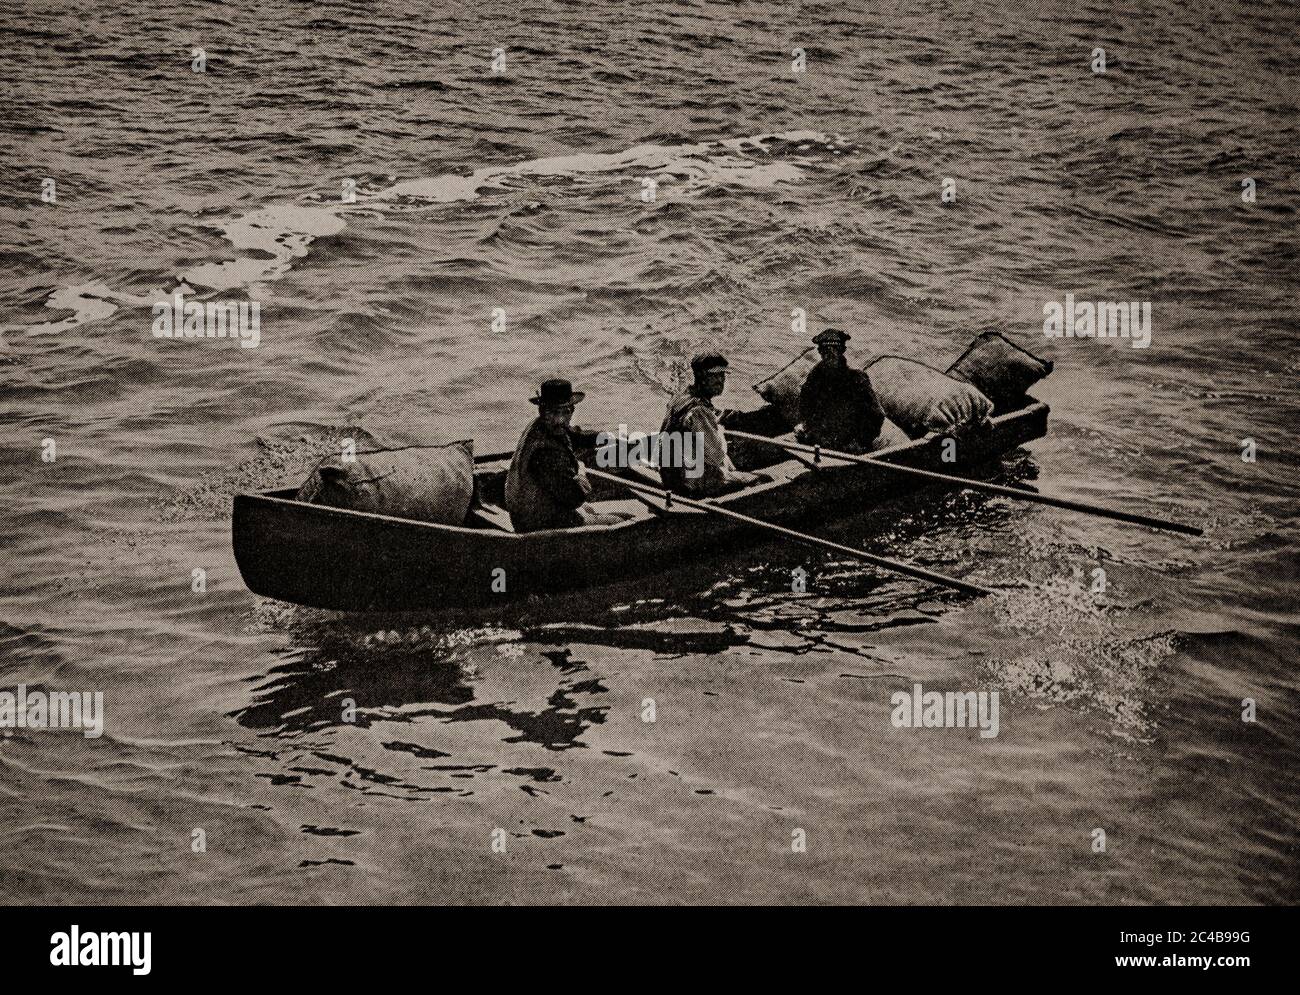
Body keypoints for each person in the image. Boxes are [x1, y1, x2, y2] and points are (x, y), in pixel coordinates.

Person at [505, 379, 632, 533]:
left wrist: (609, 438)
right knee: (622, 521)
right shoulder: (546, 453)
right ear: (542, 411)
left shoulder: (541, 426)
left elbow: (576, 436)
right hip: (538, 524)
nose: (560, 420)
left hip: (539, 511)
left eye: (565, 411)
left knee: (591, 510)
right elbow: (574, 498)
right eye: (553, 412)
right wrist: (581, 473)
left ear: (572, 410)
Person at [660, 353, 766, 496]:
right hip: (690, 482)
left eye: (722, 375)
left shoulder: (680, 397)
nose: (721, 380)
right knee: (761, 480)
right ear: (701, 377)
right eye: (714, 376)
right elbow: (716, 456)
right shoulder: (698, 411)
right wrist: (719, 433)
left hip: (670, 475)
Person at [796, 328, 884, 453]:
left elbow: (876, 414)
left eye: (833, 352)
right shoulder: (817, 374)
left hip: (850, 442)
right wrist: (808, 427)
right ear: (820, 353)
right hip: (823, 438)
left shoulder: (856, 377)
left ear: (841, 352)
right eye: (825, 352)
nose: (829, 356)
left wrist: (860, 441)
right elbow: (805, 404)